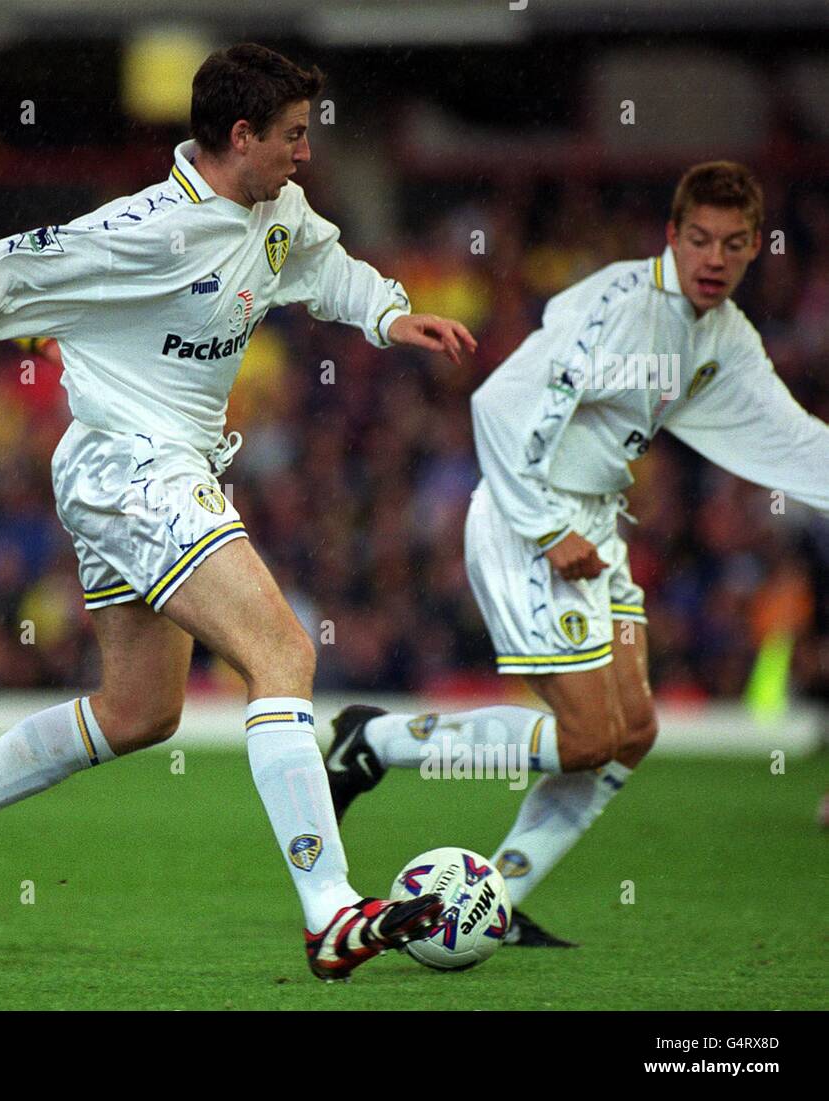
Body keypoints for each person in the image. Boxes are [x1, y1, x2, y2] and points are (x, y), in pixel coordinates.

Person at [0, 43, 477, 982]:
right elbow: (1, 266)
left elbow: (322, 262)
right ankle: (331, 909)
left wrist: (391, 316)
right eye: (294, 136)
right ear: (240, 135)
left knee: (140, 711)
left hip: (152, 469)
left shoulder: (275, 208)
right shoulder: (145, 229)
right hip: (130, 466)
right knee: (284, 654)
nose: (308, 152)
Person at [327, 161, 829, 946]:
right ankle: (377, 740)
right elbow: (500, 402)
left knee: (633, 730)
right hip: (531, 518)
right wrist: (544, 525)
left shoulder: (723, 333)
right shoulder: (621, 304)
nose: (714, 258)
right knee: (589, 736)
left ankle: (498, 892)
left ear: (753, 248)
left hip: (595, 522)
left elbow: (791, 438)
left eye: (733, 244)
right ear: (672, 235)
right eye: (699, 239)